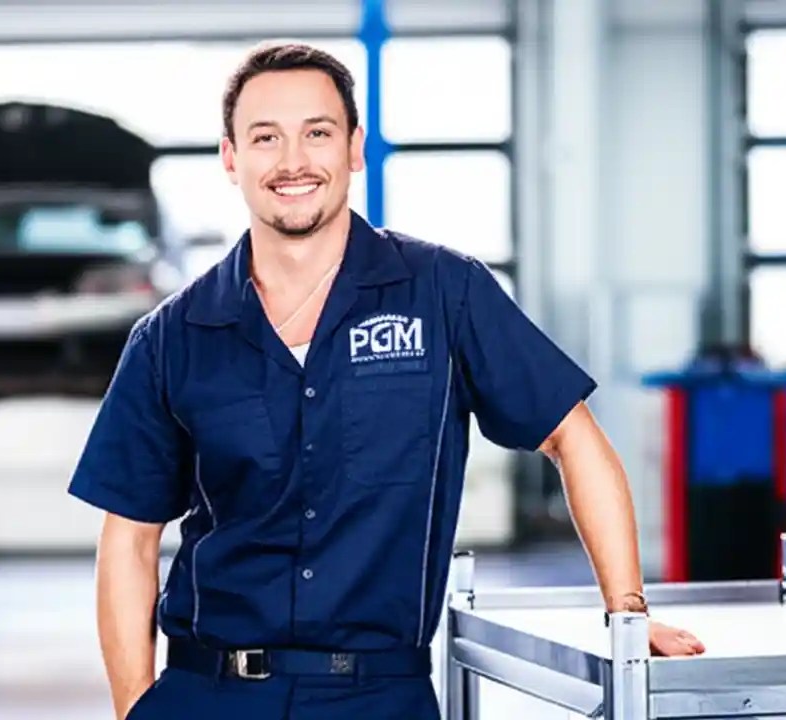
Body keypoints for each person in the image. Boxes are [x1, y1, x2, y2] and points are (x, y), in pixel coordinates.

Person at [67, 41, 706, 720]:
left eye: (317, 133)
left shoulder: (443, 293)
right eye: (265, 138)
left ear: (354, 149)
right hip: (208, 692)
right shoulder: (172, 336)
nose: (292, 161)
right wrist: (135, 707)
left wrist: (629, 617)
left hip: (377, 696)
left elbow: (573, 439)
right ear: (230, 157)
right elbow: (130, 538)